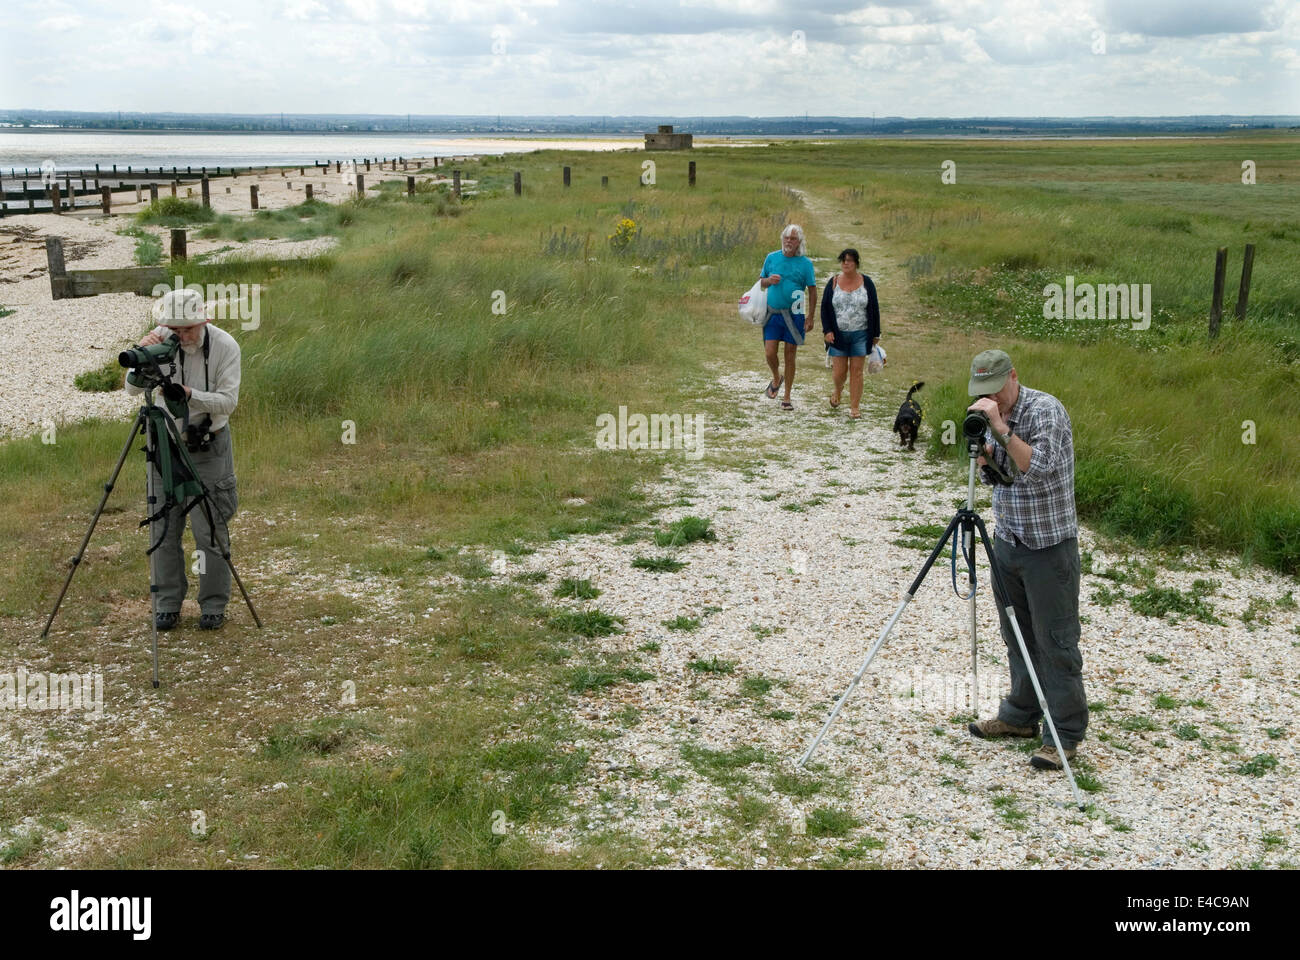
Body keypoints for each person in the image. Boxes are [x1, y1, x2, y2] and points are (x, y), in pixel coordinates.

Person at [964, 349, 1087, 771]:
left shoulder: (1044, 411)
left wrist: (1000, 429)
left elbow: (1041, 469)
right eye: (983, 394)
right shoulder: (993, 410)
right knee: (1016, 633)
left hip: (1048, 546)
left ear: (1013, 376)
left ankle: (1064, 736)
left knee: (1056, 641)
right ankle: (1020, 716)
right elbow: (1001, 478)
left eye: (996, 391)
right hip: (1009, 541)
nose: (991, 400)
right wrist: (983, 454)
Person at [125, 288, 242, 631]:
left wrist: (190, 396)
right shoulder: (160, 340)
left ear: (203, 321)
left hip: (208, 445)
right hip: (165, 446)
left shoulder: (224, 346)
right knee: (163, 526)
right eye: (174, 330)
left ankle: (214, 604)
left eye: (188, 329)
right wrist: (144, 353)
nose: (182, 336)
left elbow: (228, 402)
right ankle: (167, 603)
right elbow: (131, 390)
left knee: (209, 529)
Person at [758, 224, 817, 411]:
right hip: (773, 313)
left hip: (795, 313)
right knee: (769, 352)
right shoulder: (772, 257)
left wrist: (811, 316)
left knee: (790, 356)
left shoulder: (806, 264)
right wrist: (769, 281)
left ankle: (787, 396)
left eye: (792, 239)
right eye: (786, 237)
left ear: (799, 242)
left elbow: (813, 290)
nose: (788, 241)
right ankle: (777, 377)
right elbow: (761, 282)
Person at [818, 248, 880, 419]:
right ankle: (838, 390)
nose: (846, 263)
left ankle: (854, 407)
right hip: (838, 335)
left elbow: (874, 308)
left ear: (856, 263)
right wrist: (827, 330)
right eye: (843, 260)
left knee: (857, 371)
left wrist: (876, 334)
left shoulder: (867, 283)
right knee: (839, 373)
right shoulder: (833, 282)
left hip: (861, 333)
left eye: (849, 260)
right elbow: (825, 308)